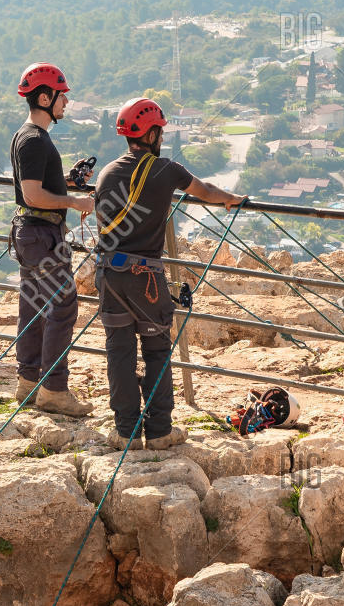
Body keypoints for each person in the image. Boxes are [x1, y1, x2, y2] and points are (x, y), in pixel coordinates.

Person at [94, 98, 244, 450]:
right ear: (153, 133)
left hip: (110, 274)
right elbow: (205, 191)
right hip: (146, 278)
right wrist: (232, 198)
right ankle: (159, 430)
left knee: (119, 350)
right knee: (157, 350)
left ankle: (126, 432)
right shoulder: (166, 170)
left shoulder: (107, 172)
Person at [10, 63, 96, 417]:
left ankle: (29, 383)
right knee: (62, 307)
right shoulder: (34, 140)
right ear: (45, 97)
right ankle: (54, 390)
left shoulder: (28, 135)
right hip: (42, 232)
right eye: (61, 97)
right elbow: (32, 195)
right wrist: (74, 201)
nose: (65, 104)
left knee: (33, 307)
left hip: (31, 233)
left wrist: (67, 182)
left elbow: (39, 185)